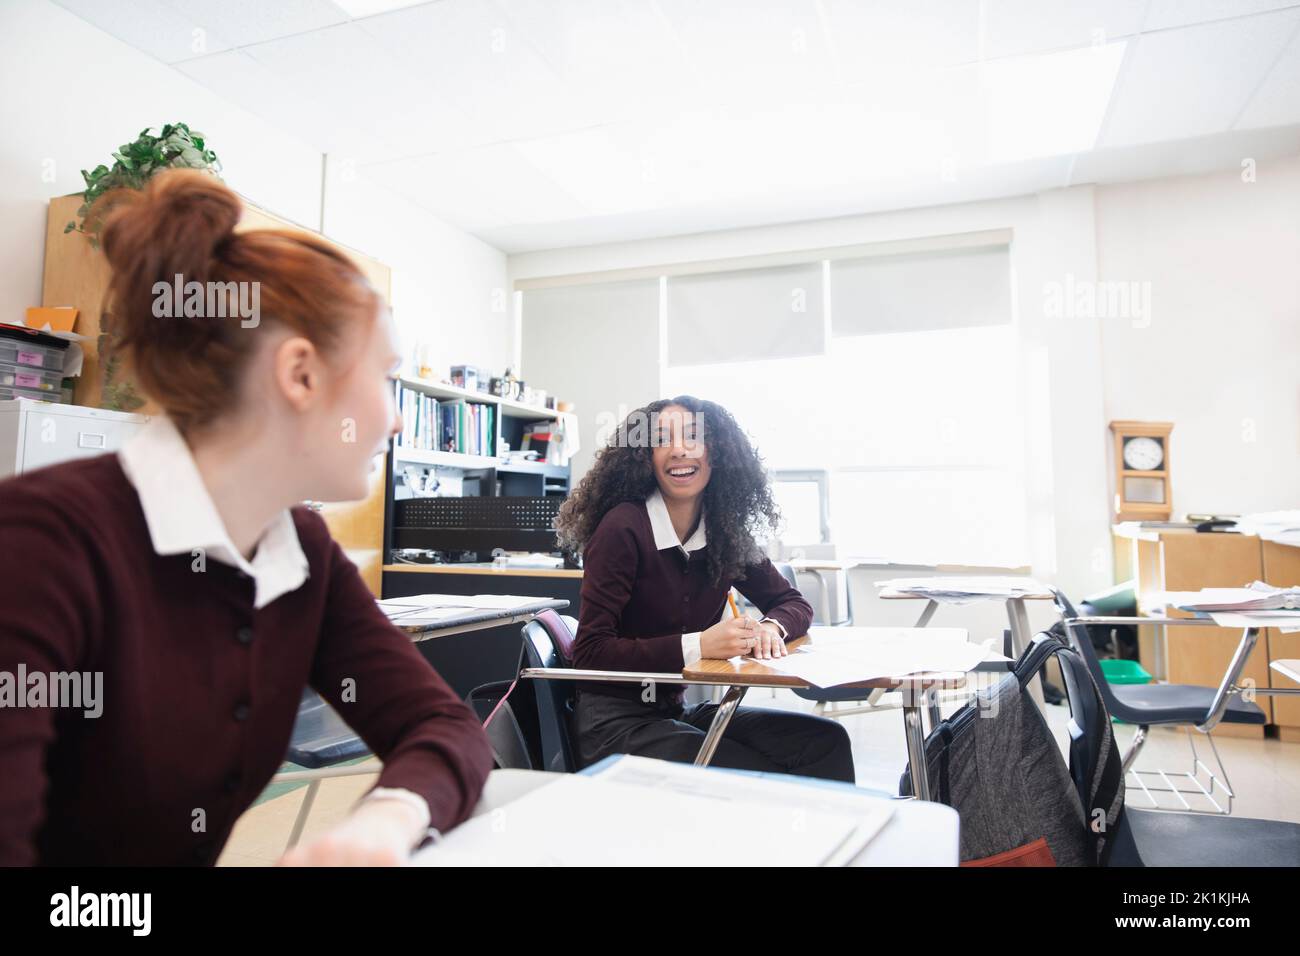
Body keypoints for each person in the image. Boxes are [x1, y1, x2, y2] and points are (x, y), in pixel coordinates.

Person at [0, 169, 492, 866]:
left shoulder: (300, 550)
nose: (394, 419)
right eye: (385, 379)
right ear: (300, 374)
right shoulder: (42, 544)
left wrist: (381, 823)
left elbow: (442, 724)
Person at [555, 396, 855, 782]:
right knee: (757, 776)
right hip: (614, 726)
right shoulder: (623, 528)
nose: (679, 449)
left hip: (670, 714)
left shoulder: (722, 529)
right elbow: (591, 653)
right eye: (662, 439)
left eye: (693, 437)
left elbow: (790, 601)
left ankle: (841, 840)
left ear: (718, 452)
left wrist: (770, 628)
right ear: (645, 457)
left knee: (823, 741)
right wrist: (699, 645)